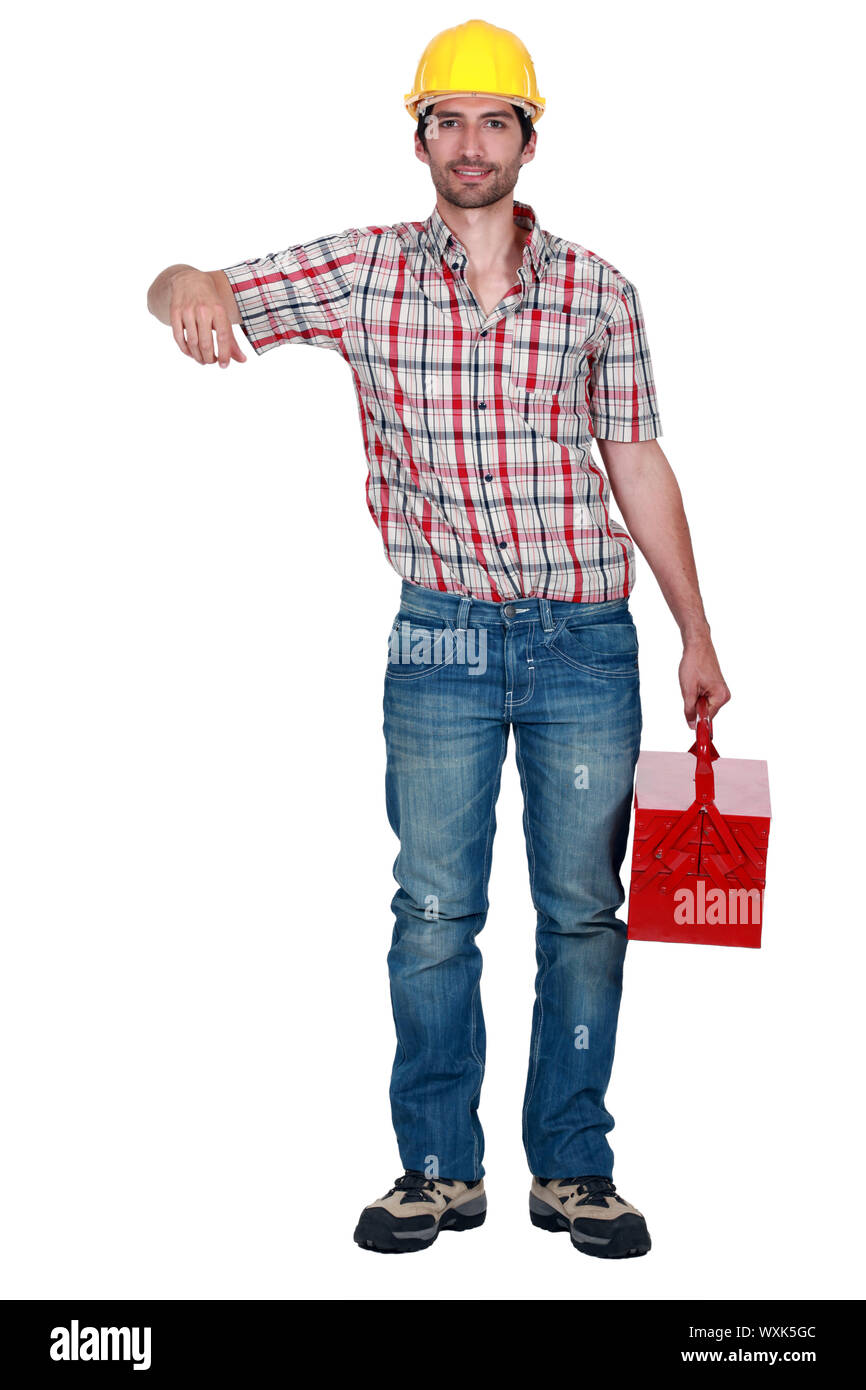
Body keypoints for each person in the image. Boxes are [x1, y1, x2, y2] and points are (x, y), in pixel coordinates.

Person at [146, 18, 730, 1259]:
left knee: (581, 913)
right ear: (419, 137)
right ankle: (435, 1169)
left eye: (493, 120)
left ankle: (573, 1168)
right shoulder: (362, 273)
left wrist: (695, 629)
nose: (470, 143)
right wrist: (184, 281)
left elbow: (634, 457)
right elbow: (193, 289)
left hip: (585, 641)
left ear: (529, 137)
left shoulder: (598, 290)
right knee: (432, 912)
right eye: (447, 121)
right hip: (441, 646)